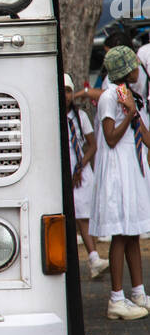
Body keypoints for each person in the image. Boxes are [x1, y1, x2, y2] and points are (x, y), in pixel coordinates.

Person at [89, 46, 150, 319]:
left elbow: (146, 139)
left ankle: (137, 291)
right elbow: (111, 137)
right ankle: (116, 298)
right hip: (117, 169)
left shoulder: (131, 96)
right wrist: (127, 113)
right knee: (120, 234)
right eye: (136, 66)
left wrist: (134, 112)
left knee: (133, 232)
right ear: (127, 70)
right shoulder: (108, 97)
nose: (140, 70)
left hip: (132, 167)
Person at [64, 74, 108, 279]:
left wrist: (80, 166)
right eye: (62, 90)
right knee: (75, 217)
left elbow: (92, 145)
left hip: (80, 170)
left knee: (84, 216)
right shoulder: (52, 118)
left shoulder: (79, 116)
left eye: (68, 91)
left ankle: (93, 258)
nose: (65, 95)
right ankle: (92, 258)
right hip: (65, 170)